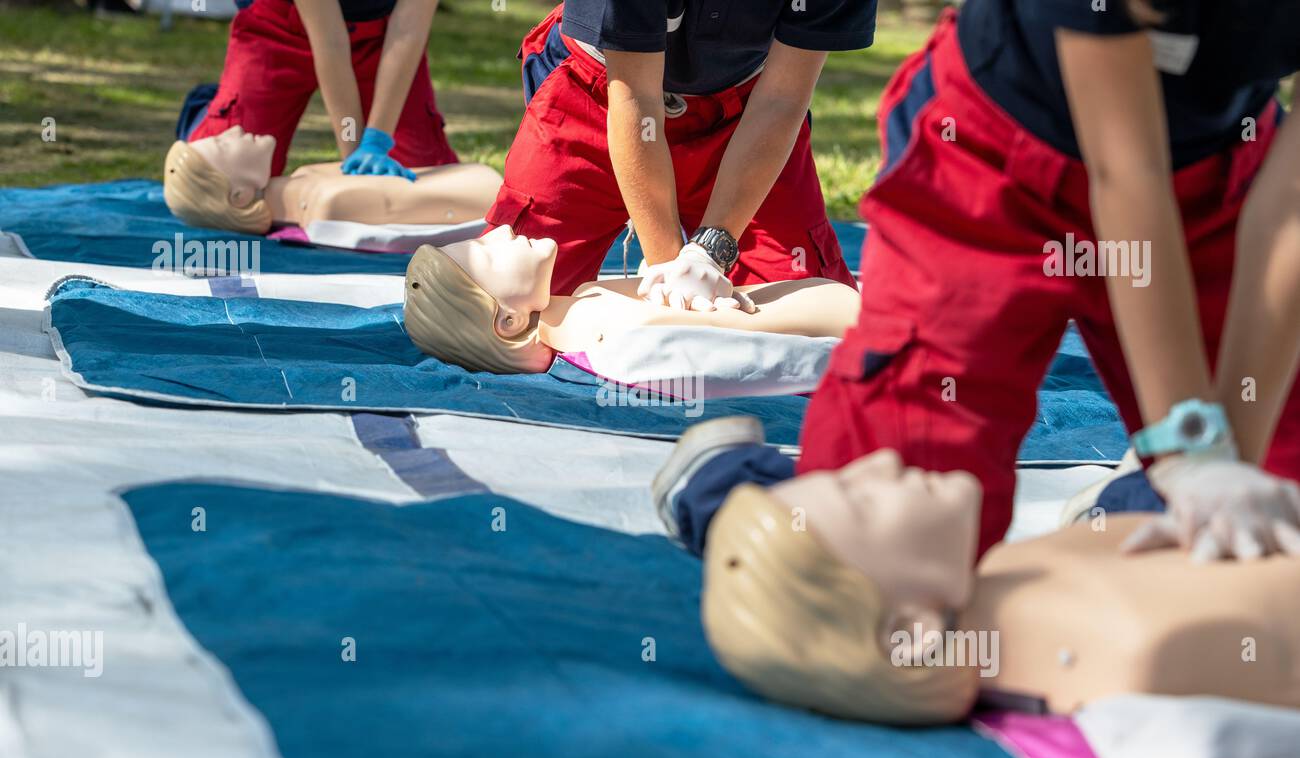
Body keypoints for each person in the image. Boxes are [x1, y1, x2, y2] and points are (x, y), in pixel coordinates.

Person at [656, 0, 1300, 564]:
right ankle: (730, 490)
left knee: (1272, 514)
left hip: (1211, 177)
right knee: (888, 542)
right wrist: (1191, 442)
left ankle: (1131, 508)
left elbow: (1290, 208)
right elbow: (1127, 172)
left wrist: (1224, 458)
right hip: (992, 162)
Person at [701, 439, 1300, 725]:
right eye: (860, 499)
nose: (878, 463)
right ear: (911, 632)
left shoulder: (1004, 577)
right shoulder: (1134, 644)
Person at [484, 1, 877, 311]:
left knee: (820, 316)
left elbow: (781, 98)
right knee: (507, 302)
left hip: (741, 113)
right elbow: (637, 96)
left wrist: (709, 251)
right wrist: (667, 271)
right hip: (598, 95)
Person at [401, 225, 861, 374]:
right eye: (485, 251)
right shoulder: (599, 329)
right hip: (846, 320)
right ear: (505, 319)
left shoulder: (583, 301)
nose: (500, 229)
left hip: (831, 308)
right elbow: (746, 340)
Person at [181, 0, 457, 182]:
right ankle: (208, 110)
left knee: (425, 173)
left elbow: (408, 31)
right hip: (278, 24)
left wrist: (376, 142)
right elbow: (330, 41)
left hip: (380, 38)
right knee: (225, 176)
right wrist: (354, 161)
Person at [163, 126, 500, 235]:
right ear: (238, 195)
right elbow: (481, 201)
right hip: (500, 195)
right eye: (223, 143)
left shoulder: (306, 176)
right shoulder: (328, 203)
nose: (234, 130)